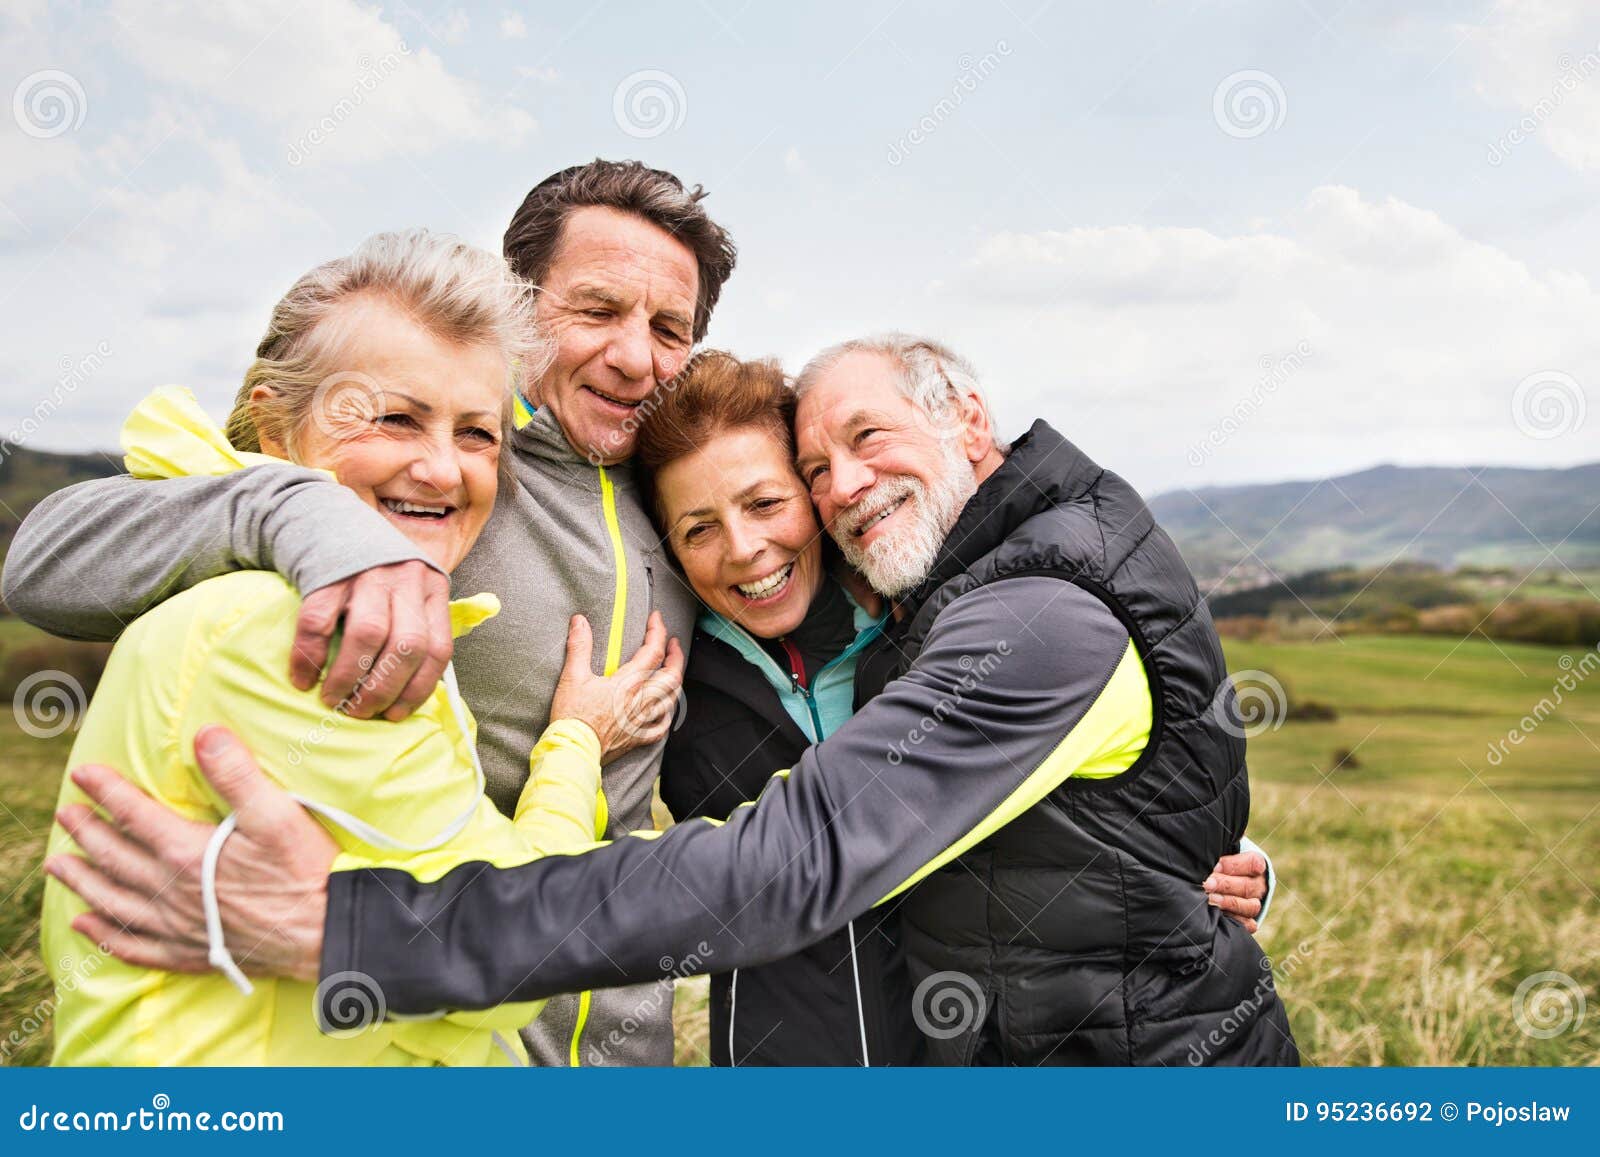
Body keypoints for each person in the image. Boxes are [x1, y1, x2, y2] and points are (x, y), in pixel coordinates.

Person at [46, 334, 1296, 1066]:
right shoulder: (695, 675)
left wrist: (358, 930)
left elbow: (792, 860)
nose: (768, 533)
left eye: (787, 492)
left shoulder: (980, 621)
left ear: (969, 418)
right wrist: (298, 505)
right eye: (702, 525)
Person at [6, 159, 736, 1067]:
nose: (636, 356)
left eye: (669, 328)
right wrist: (290, 508)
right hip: (432, 1021)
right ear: (519, 308)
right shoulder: (445, 484)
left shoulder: (687, 501)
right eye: (597, 311)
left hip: (619, 1046)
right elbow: (41, 566)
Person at [638, 352, 1274, 1065]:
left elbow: (1089, 802)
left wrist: (1206, 859)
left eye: (766, 503)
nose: (746, 548)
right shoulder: (671, 674)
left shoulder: (925, 625)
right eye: (698, 529)